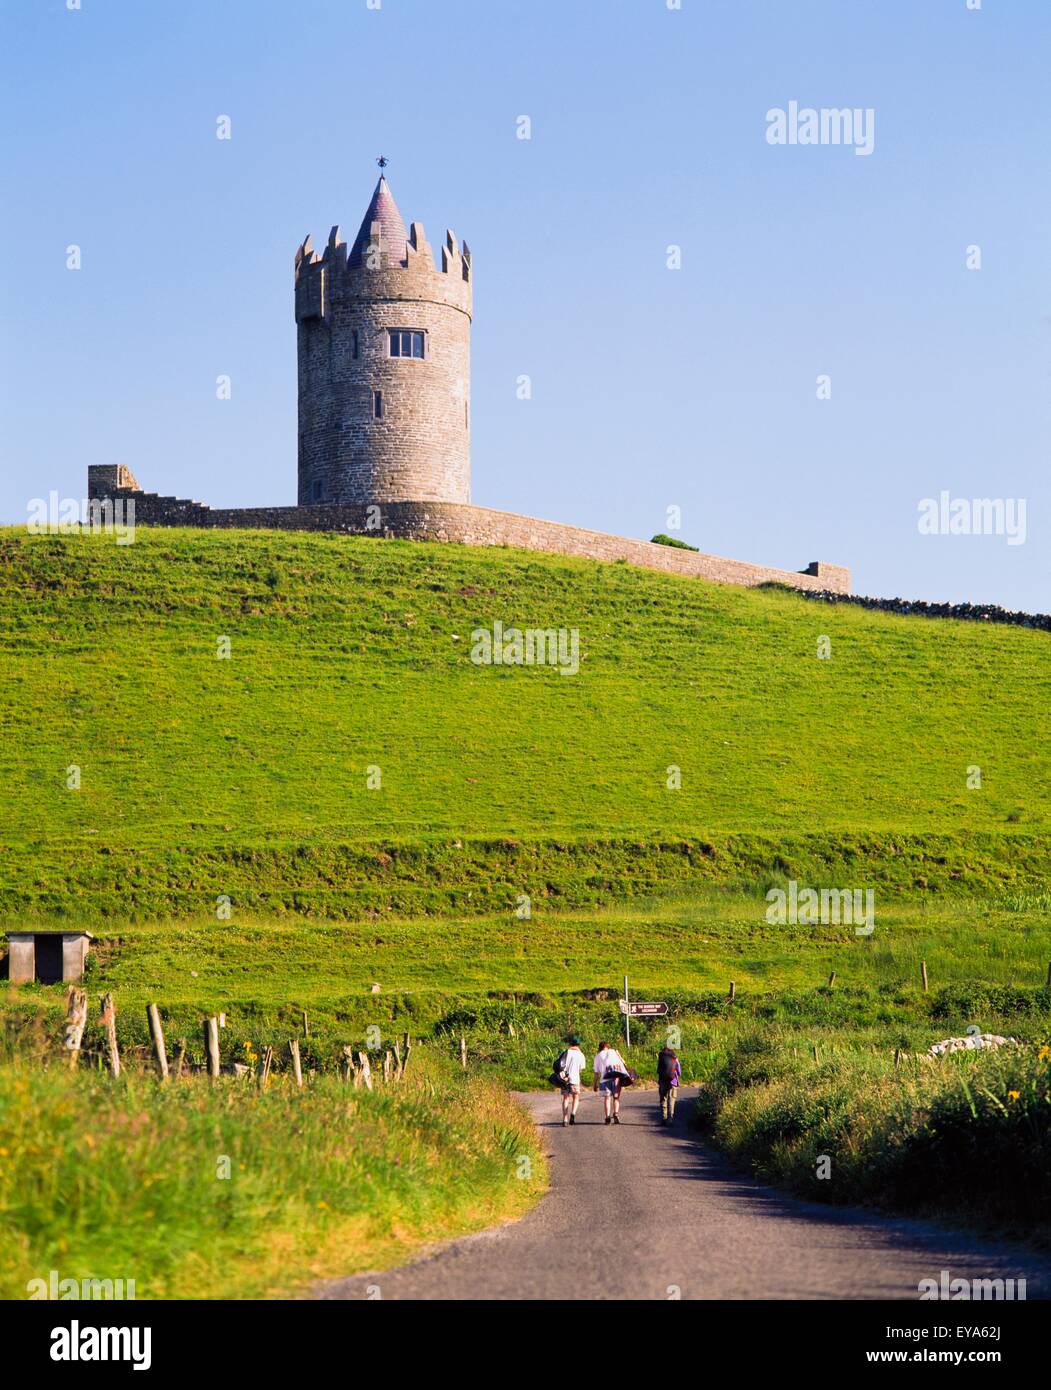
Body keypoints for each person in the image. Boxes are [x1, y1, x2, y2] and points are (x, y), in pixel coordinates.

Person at [593, 1039, 629, 1125]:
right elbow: (624, 1063)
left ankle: (607, 1117)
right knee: (616, 1098)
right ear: (607, 1046)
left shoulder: (598, 1056)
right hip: (616, 1077)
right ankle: (616, 1114)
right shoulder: (613, 1052)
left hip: (604, 1079)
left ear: (600, 1048)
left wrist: (595, 1084)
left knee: (607, 1098)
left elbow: (596, 1072)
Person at [557, 1035, 587, 1127]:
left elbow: (560, 1065)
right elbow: (581, 1068)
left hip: (564, 1079)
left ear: (570, 1043)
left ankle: (565, 1119)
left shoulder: (565, 1052)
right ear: (579, 1044)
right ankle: (573, 1115)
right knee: (576, 1097)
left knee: (566, 1098)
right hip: (575, 1079)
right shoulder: (581, 1054)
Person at [657, 1045, 681, 1126]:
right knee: (671, 1100)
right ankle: (670, 1119)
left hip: (662, 1081)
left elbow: (658, 1070)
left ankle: (664, 1118)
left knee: (663, 1099)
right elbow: (679, 1071)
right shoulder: (674, 1058)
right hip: (673, 1081)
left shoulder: (661, 1057)